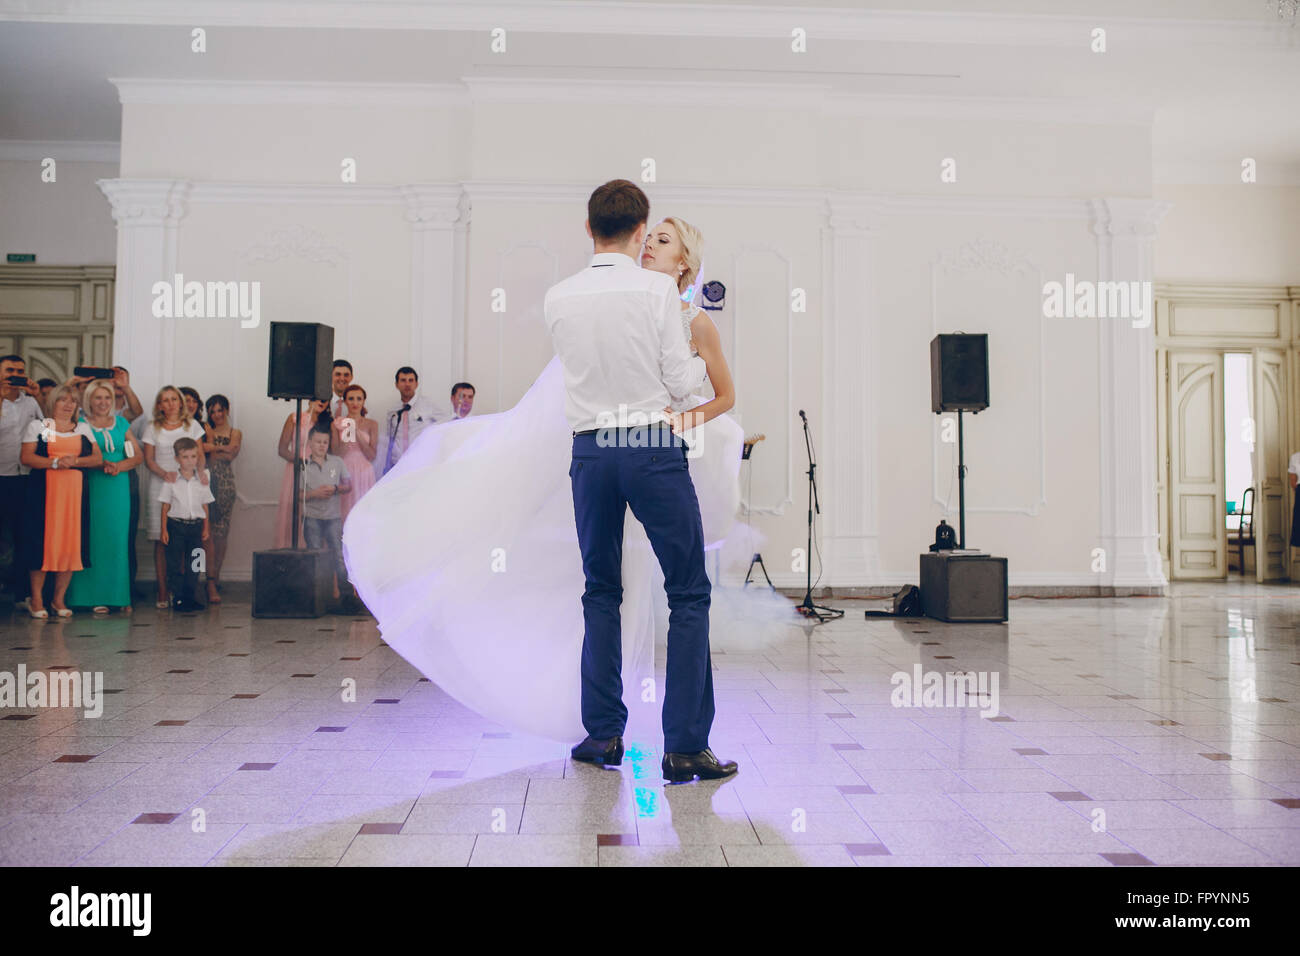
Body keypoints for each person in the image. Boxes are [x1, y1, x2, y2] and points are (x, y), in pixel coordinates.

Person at [344, 182, 745, 783]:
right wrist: (677, 381)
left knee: (600, 591)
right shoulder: (659, 292)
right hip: (650, 448)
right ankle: (685, 746)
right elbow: (686, 385)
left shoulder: (562, 297)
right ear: (639, 232)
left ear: (590, 229)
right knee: (687, 593)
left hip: (590, 454)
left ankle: (603, 735)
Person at [18, 385, 104, 617]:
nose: (68, 405)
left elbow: (97, 458)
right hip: (45, 493)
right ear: (52, 402)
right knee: (42, 542)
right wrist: (55, 463)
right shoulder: (44, 426)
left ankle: (58, 599)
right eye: (62, 400)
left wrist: (74, 460)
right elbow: (28, 457)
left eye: (72, 401)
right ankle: (36, 599)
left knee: (70, 543)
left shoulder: (83, 428)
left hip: (74, 494)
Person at [66, 379, 142, 614]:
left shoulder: (120, 422)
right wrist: (99, 465)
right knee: (91, 537)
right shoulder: (79, 423)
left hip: (118, 487)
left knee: (117, 539)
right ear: (88, 400)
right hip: (91, 485)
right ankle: (89, 596)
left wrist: (119, 467)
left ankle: (118, 596)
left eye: (107, 398)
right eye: (98, 397)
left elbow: (138, 455)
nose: (103, 402)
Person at [141, 386, 207, 608]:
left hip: (189, 485)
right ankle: (163, 590)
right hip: (163, 484)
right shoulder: (153, 428)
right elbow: (148, 459)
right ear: (159, 405)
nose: (170, 404)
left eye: (173, 399)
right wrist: (165, 474)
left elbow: (201, 458)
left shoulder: (193, 426)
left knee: (192, 543)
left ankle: (188, 591)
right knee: (163, 539)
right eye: (164, 400)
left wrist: (199, 478)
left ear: (180, 402)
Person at [0, 355, 45, 607]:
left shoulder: (30, 403)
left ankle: (22, 593)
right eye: (9, 370)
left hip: (24, 478)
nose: (14, 375)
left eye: (19, 370)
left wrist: (38, 396)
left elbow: (49, 432)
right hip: (0, 474)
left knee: (23, 535)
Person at [157, 437, 212, 612]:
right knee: (174, 563)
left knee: (196, 562)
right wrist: (164, 529)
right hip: (176, 525)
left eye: (193, 456)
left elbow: (205, 505)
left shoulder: (202, 480)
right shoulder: (171, 480)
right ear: (177, 459)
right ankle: (178, 598)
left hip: (196, 526)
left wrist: (206, 527)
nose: (190, 461)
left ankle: (191, 596)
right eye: (185, 457)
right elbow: (165, 505)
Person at [300, 426, 352, 608]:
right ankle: (317, 599)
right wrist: (314, 493)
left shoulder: (337, 462)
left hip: (333, 517)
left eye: (325, 442)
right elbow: (298, 495)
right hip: (311, 516)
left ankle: (346, 598)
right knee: (315, 556)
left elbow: (348, 485)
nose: (322, 446)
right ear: (310, 443)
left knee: (339, 556)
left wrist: (336, 489)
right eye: (318, 442)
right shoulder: (303, 465)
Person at [202, 394, 241, 604]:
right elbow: (206, 453)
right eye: (212, 411)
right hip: (204, 481)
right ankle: (201, 576)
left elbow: (231, 454)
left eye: (220, 410)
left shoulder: (235, 432)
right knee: (203, 533)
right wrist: (220, 448)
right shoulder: (204, 431)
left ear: (227, 410)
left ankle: (215, 576)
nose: (217, 414)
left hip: (225, 483)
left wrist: (212, 448)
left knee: (221, 533)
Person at [113, 366, 148, 600]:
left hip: (127, 478)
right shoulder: (89, 412)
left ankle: (127, 585)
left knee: (127, 535)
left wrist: (125, 386)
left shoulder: (126, 415)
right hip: (97, 478)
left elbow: (137, 410)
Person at [274, 398, 327, 549]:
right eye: (317, 399)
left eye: (325, 400)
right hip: (297, 471)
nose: (321, 402)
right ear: (309, 400)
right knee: (295, 515)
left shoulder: (327, 422)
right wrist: (303, 462)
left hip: (319, 473)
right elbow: (282, 449)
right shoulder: (295, 418)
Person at [381, 367, 442, 475]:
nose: (407, 384)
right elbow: (389, 441)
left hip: (420, 464)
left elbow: (445, 425)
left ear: (416, 384)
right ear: (396, 384)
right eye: (403, 380)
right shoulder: (392, 411)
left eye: (411, 380)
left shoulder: (428, 405)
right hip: (397, 465)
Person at [334, 383, 377, 523]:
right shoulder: (337, 423)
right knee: (344, 512)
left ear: (364, 401)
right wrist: (348, 428)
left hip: (364, 471)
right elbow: (337, 454)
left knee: (363, 515)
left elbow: (371, 455)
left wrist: (357, 433)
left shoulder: (372, 424)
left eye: (359, 399)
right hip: (344, 468)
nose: (355, 403)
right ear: (345, 401)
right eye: (351, 399)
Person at [328, 360, 353, 453]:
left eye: (346, 375)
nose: (342, 378)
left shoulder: (359, 404)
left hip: (350, 454)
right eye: (338, 374)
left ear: (351, 377)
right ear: (330, 376)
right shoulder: (322, 401)